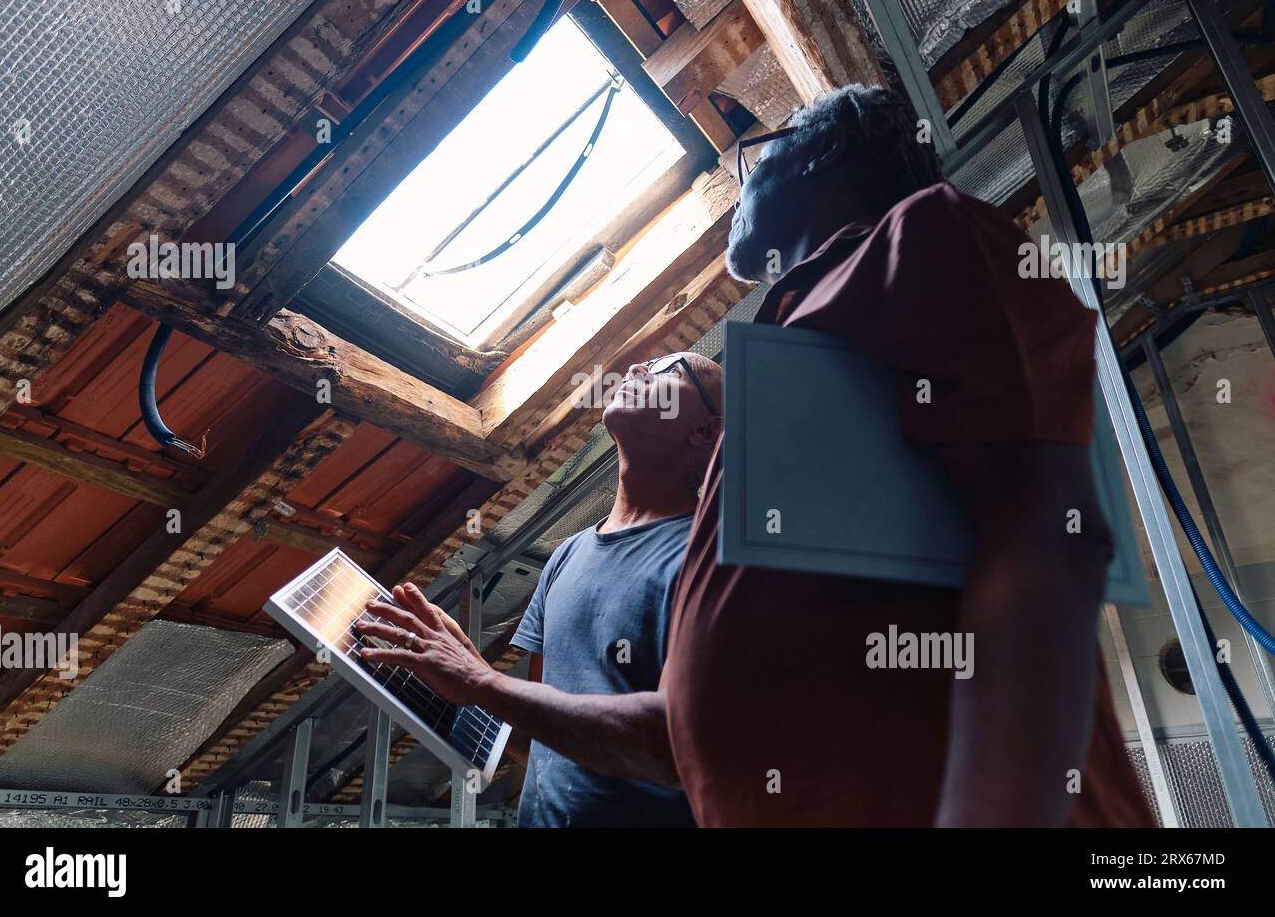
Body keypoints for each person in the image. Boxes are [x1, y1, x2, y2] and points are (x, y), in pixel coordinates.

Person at [662, 84, 1156, 826]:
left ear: (824, 150)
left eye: (755, 156)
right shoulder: (788, 360)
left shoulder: (923, 234)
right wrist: (487, 687)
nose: (738, 186)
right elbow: (704, 716)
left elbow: (1051, 532)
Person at [358, 351, 722, 827]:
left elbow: (681, 746)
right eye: (641, 364)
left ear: (705, 432)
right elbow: (542, 733)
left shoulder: (712, 561)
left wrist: (483, 683)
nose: (634, 371)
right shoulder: (567, 555)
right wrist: (467, 682)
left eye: (668, 370)